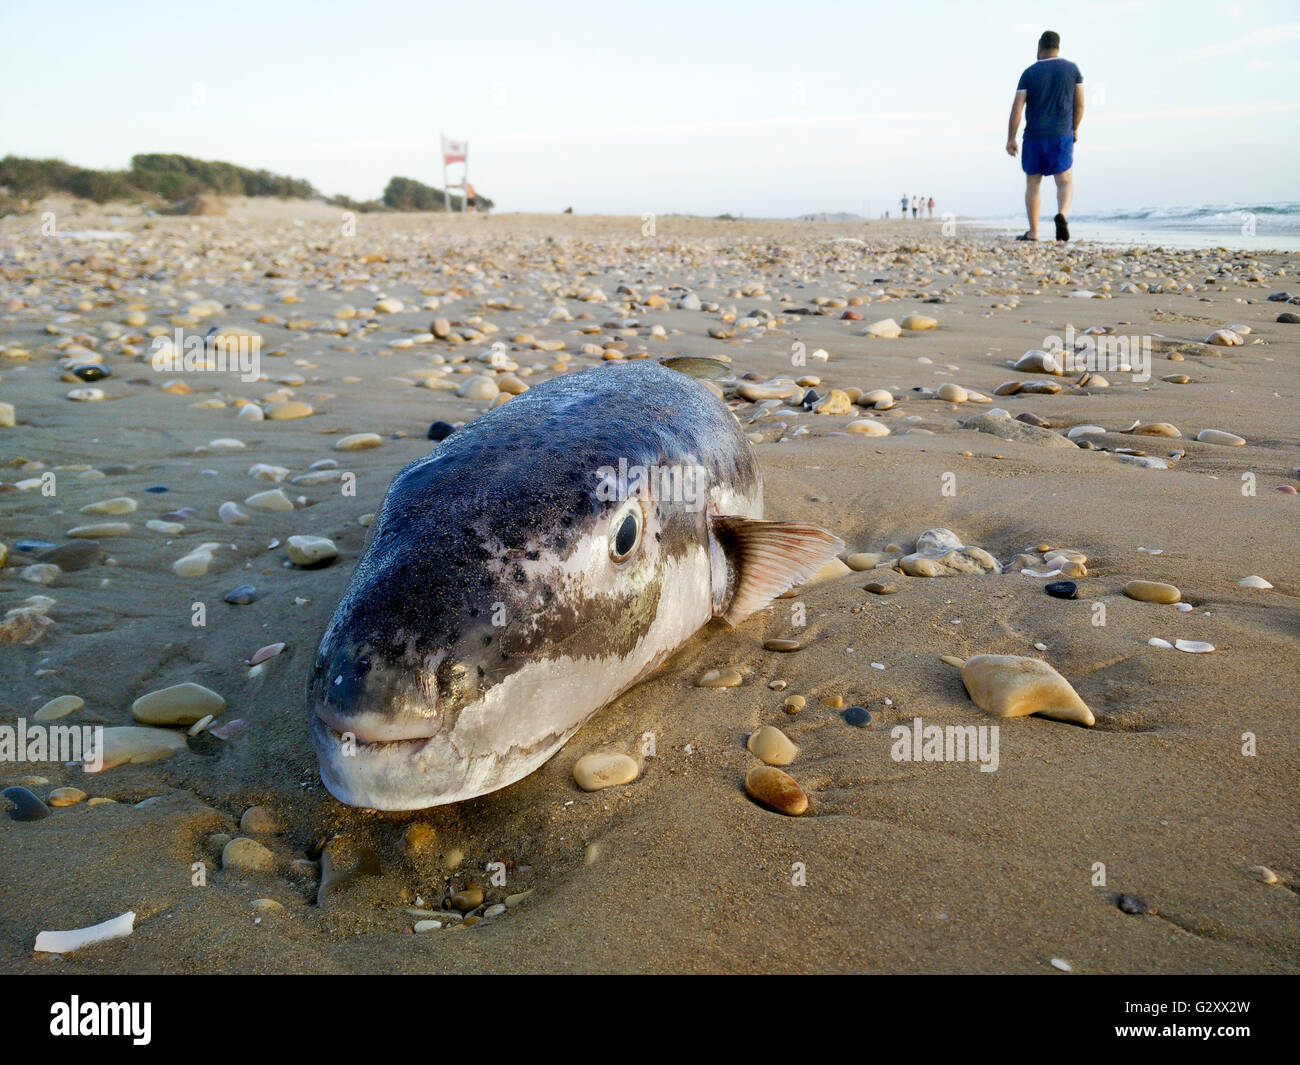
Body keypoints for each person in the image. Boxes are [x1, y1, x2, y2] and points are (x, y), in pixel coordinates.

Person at [1006, 30, 1083, 242]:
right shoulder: (1072, 69)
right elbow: (1080, 104)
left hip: (1034, 137)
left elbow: (1017, 107)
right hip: (1061, 134)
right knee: (1064, 180)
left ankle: (1033, 232)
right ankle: (1062, 214)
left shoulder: (1029, 73)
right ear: (1058, 46)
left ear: (1039, 47)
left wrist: (1011, 138)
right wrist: (1074, 128)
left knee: (1033, 183)